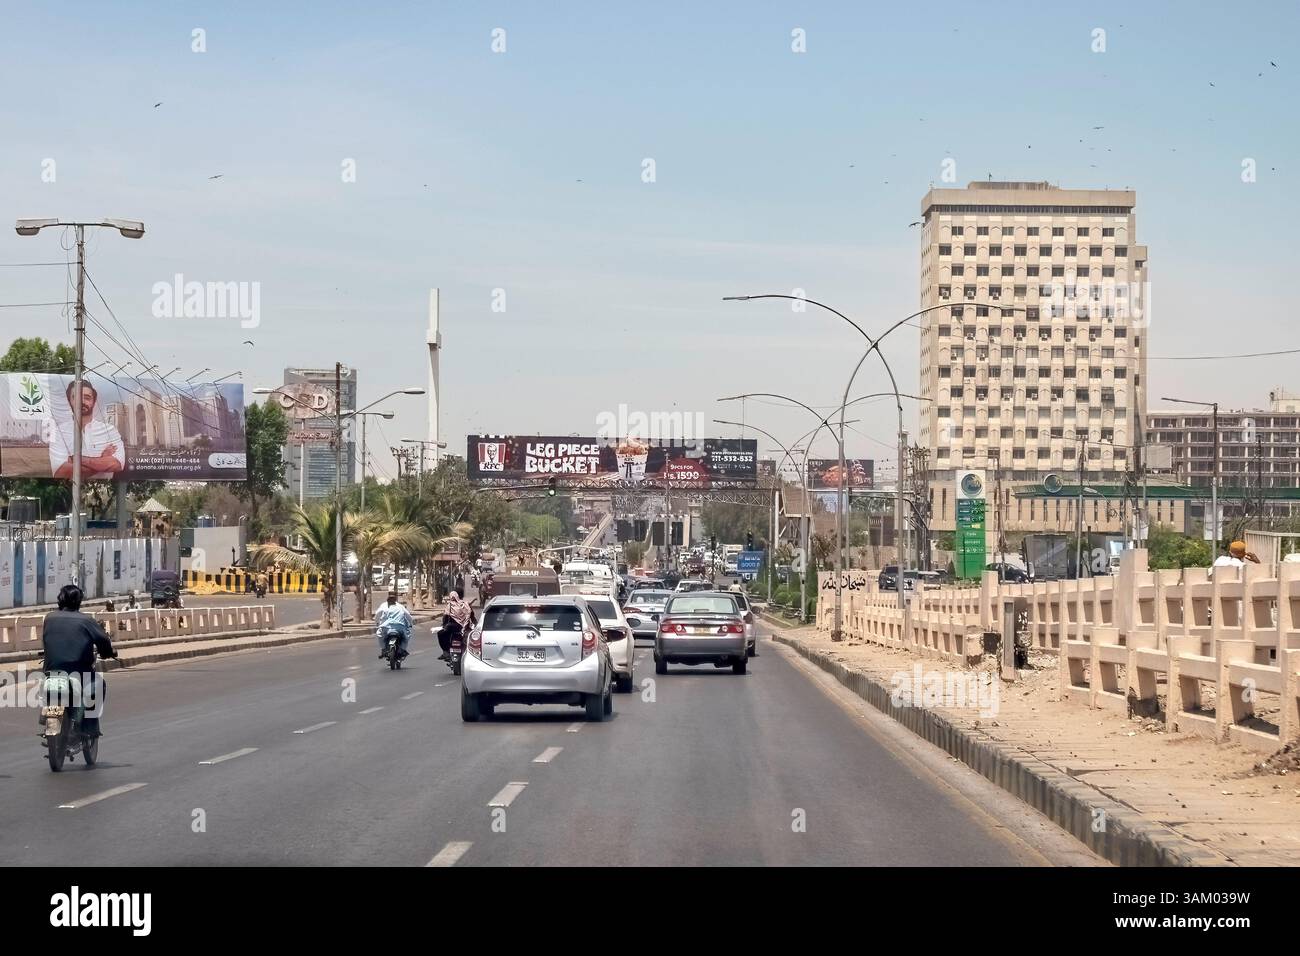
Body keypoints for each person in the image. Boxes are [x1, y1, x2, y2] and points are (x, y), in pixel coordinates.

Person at [40, 584, 117, 736]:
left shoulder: (49, 618)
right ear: (79, 601)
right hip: (79, 673)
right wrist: (109, 652)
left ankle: (50, 720)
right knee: (98, 685)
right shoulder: (86, 620)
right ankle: (88, 727)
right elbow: (103, 641)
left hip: (51, 671)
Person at [48, 380, 125, 479]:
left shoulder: (110, 430)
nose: (82, 402)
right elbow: (61, 472)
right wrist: (102, 460)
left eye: (87, 398)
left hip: (106, 489)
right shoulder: (59, 432)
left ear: (93, 401)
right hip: (69, 490)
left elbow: (116, 464)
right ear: (69, 400)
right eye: (76, 397)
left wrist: (76, 459)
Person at [436, 591, 477, 661]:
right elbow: (471, 616)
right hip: (464, 627)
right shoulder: (465, 604)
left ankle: (446, 652)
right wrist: (475, 625)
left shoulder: (450, 605)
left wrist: (444, 625)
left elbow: (445, 617)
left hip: (452, 627)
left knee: (440, 633)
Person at [373, 590, 413, 659]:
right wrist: (411, 624)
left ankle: (383, 649)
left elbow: (377, 615)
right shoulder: (400, 606)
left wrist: (376, 623)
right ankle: (402, 649)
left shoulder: (384, 606)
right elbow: (408, 616)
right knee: (406, 637)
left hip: (386, 627)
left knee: (379, 635)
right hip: (400, 628)